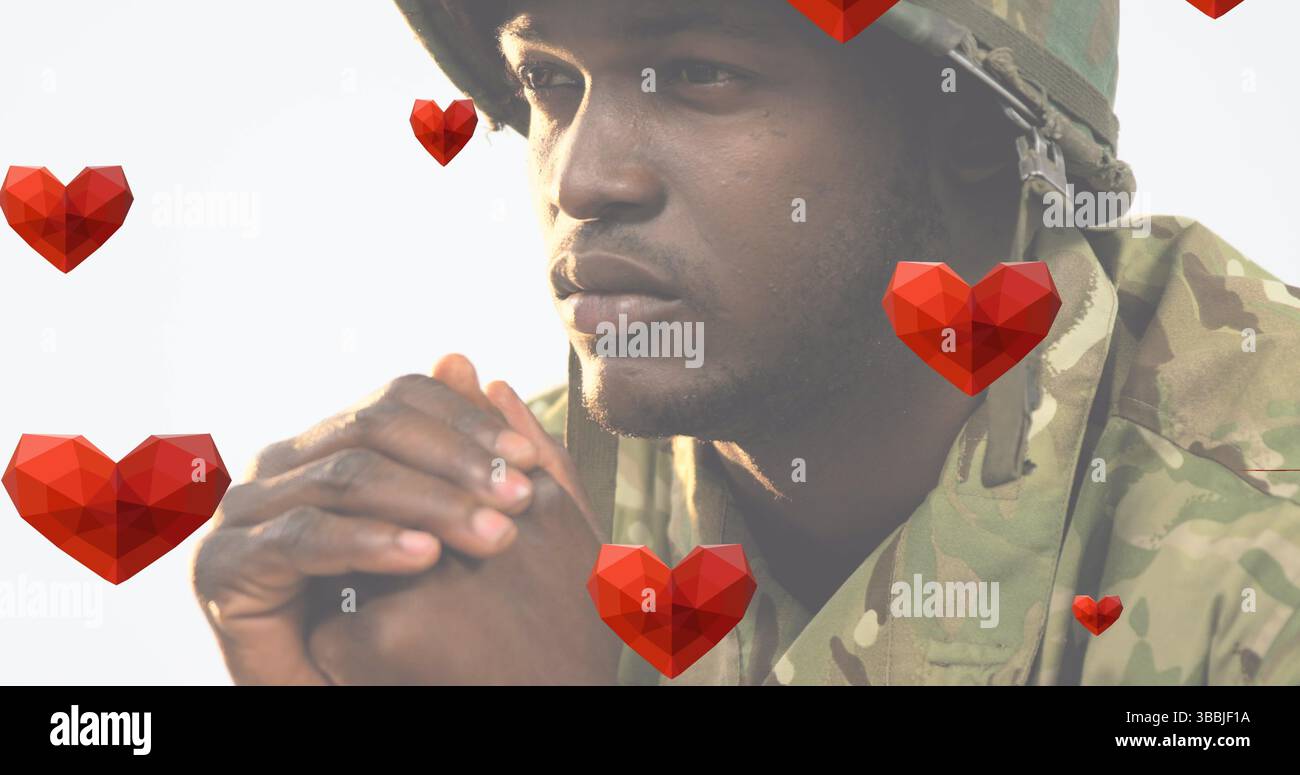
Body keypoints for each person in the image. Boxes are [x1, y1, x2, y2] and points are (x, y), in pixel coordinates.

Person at [191, 0, 1300, 685]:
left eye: (696, 72)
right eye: (549, 81)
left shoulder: (1259, 545)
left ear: (968, 131)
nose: (582, 177)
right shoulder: (500, 518)